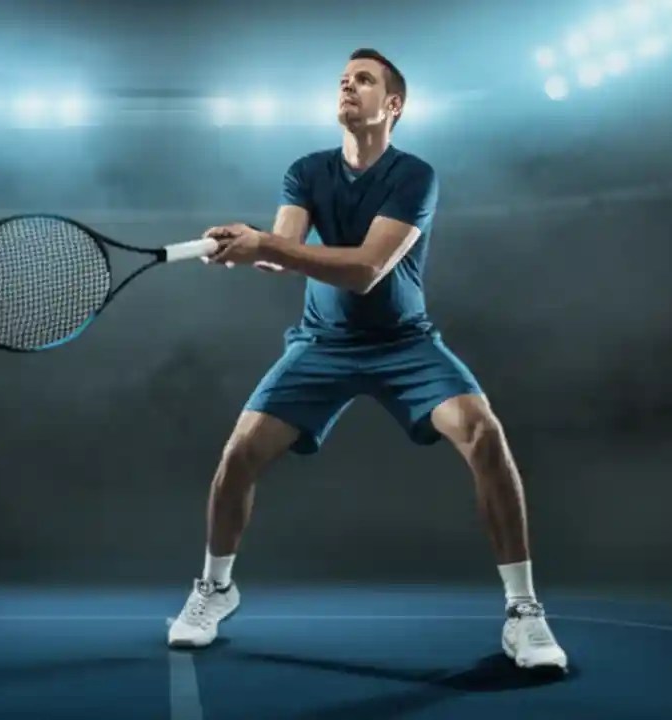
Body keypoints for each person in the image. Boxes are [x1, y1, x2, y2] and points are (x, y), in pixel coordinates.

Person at [166, 48, 568, 672]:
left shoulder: (415, 177)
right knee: (238, 454)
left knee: (484, 434)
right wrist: (246, 247)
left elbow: (366, 270)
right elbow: (284, 251)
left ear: (394, 105)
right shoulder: (306, 171)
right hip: (320, 345)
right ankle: (216, 589)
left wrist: (265, 243)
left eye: (364, 80)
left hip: (407, 345)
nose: (348, 87)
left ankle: (524, 612)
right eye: (343, 80)